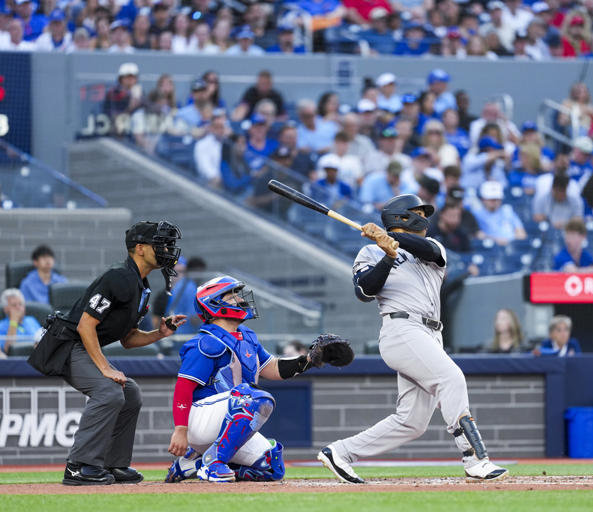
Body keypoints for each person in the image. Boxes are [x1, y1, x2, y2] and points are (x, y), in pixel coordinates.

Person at [318, 194, 508, 483]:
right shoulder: (370, 253)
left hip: (431, 333)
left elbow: (426, 250)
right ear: (401, 215)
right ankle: (475, 459)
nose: (424, 217)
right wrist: (388, 255)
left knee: (412, 422)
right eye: (418, 212)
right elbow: (365, 291)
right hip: (401, 330)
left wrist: (392, 239)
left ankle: (340, 452)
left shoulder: (433, 248)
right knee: (452, 379)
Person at [27, 221, 185, 485]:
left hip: (81, 344)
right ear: (140, 248)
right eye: (161, 244)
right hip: (65, 344)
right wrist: (105, 368)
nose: (168, 249)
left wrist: (159, 334)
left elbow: (128, 339)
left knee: (129, 392)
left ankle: (114, 464)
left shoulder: (140, 284)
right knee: (109, 391)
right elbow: (85, 324)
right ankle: (79, 466)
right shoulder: (119, 276)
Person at [164, 276, 350, 483]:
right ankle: (212, 463)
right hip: (199, 421)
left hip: (229, 417)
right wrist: (180, 430)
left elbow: (273, 369)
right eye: (231, 295)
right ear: (215, 302)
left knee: (271, 467)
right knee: (255, 398)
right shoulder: (206, 342)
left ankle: (193, 463)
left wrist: (309, 360)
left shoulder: (246, 336)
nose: (239, 299)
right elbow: (183, 388)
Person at [152, 256, 208, 336]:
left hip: (177, 334)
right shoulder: (190, 288)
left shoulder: (181, 287)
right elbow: (194, 319)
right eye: (175, 272)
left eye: (181, 272)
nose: (177, 276)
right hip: (186, 335)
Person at [471, 181, 526, 245]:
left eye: (496, 199)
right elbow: (478, 235)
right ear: (483, 199)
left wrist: (508, 241)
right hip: (489, 248)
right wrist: (496, 240)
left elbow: (522, 234)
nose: (494, 202)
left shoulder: (508, 211)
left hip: (511, 247)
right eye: (491, 199)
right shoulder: (477, 214)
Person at [0, 288, 42, 355]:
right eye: (14, 305)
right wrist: (13, 321)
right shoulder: (1, 326)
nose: (18, 307)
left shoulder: (32, 320)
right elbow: (8, 350)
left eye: (20, 304)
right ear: (6, 309)